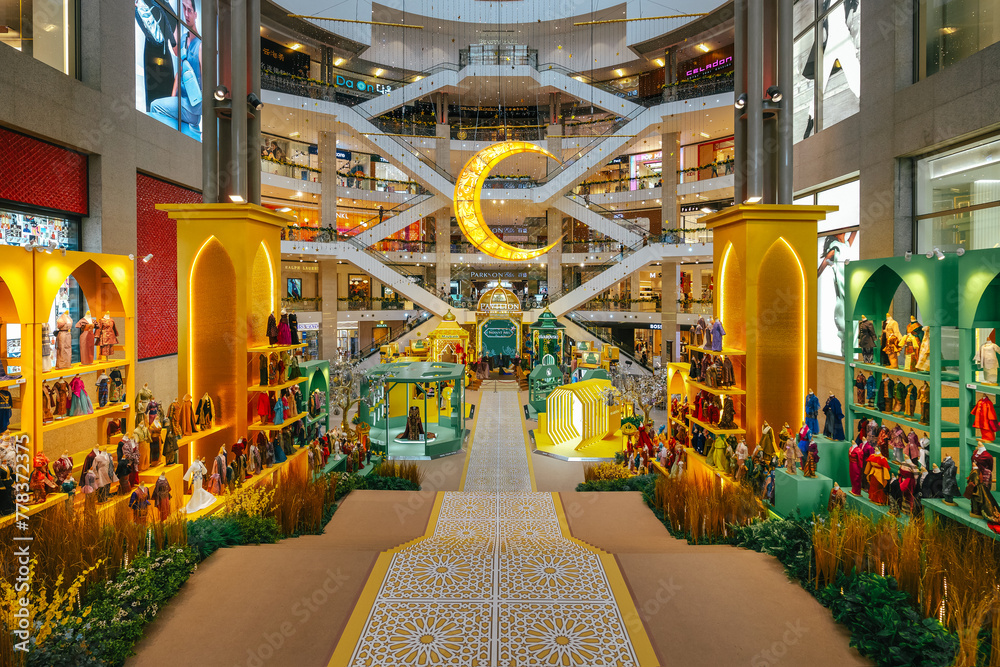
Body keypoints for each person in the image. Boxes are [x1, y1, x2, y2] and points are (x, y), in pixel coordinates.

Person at [148, 0, 201, 137]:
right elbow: (180, 71)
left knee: (155, 106)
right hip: (182, 103)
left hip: (192, 107)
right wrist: (173, 98)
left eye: (189, 10)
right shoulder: (183, 40)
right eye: (183, 8)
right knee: (161, 106)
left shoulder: (200, 46)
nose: (186, 13)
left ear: (195, 14)